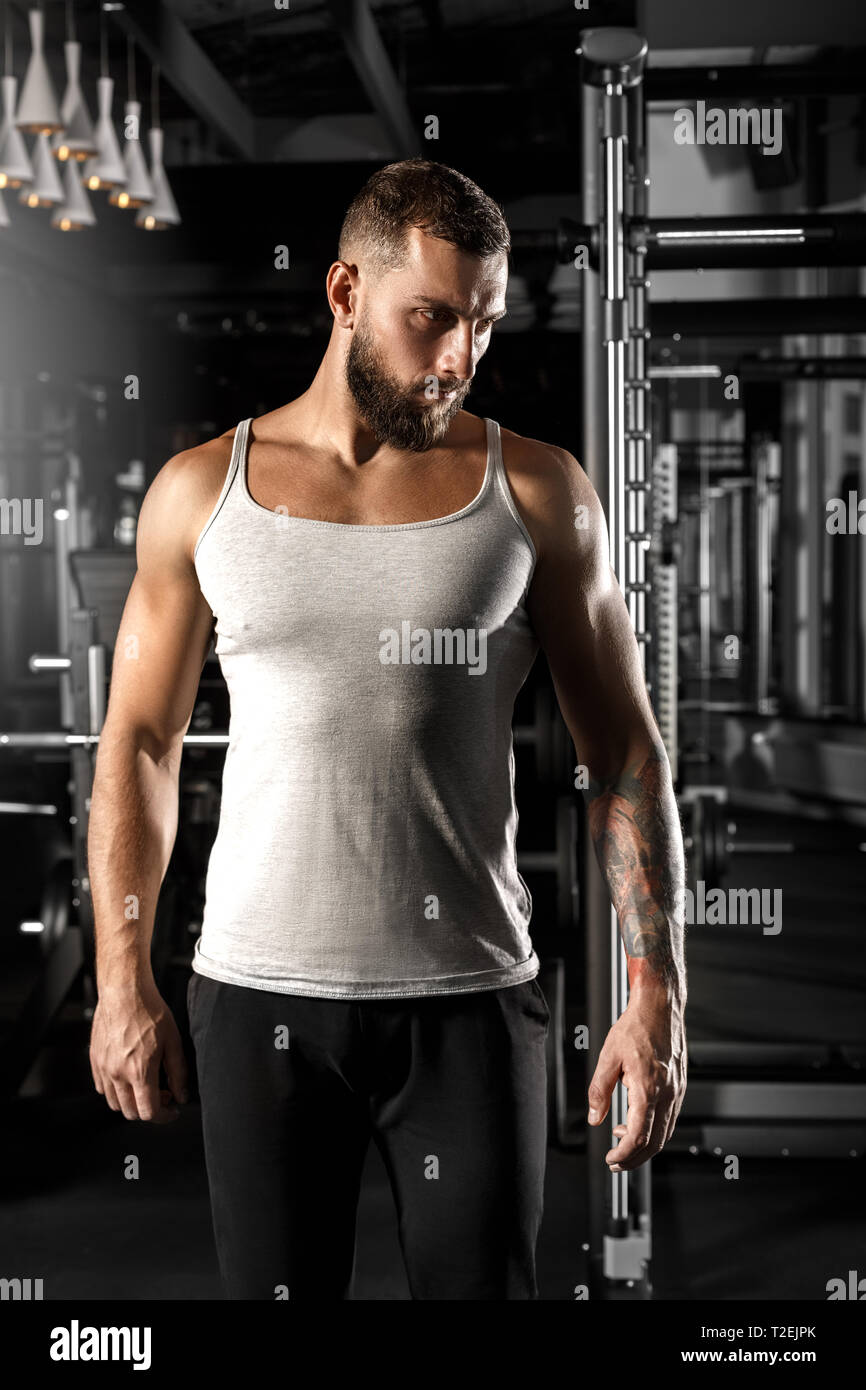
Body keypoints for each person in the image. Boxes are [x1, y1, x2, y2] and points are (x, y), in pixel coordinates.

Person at [87, 157, 687, 1301]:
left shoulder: (540, 492)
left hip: (468, 1003)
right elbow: (138, 746)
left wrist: (655, 992)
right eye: (431, 318)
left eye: (483, 323)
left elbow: (623, 755)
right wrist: (124, 980)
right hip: (257, 998)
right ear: (344, 294)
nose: (459, 354)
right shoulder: (201, 491)